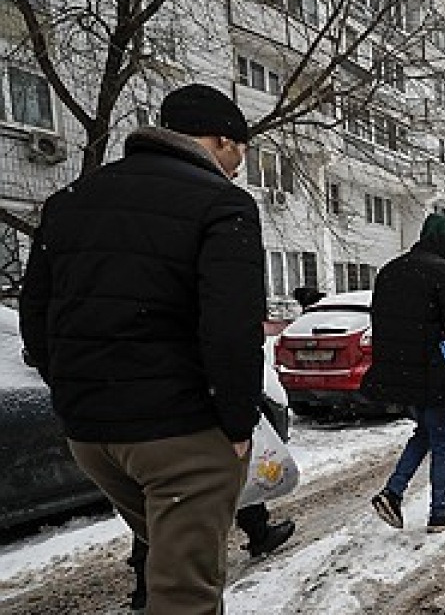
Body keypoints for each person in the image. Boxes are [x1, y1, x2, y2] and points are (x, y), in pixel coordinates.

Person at [19, 84, 265, 614]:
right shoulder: (224, 205)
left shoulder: (69, 202)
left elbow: (35, 317)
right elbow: (232, 327)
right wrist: (238, 424)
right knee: (184, 596)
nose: (241, 166)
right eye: (240, 151)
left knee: (165, 559)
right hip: (180, 434)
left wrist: (74, 394)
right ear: (222, 140)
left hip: (91, 434)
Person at [127, 394, 296, 612]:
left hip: (139, 422)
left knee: (162, 502)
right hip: (182, 422)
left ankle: (258, 530)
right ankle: (258, 533)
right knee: (181, 499)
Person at [364, 214, 445, 533]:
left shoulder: (390, 271)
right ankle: (439, 510)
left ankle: (393, 493)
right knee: (443, 441)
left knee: (426, 433)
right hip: (436, 374)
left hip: (400, 377)